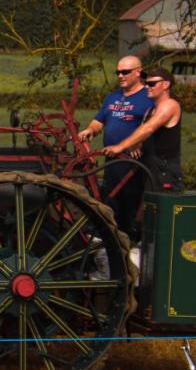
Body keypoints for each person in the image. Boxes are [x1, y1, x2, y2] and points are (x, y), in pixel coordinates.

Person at [77, 55, 153, 240]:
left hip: (133, 163)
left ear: (138, 72)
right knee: (110, 201)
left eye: (125, 72)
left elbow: (151, 127)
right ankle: (109, 245)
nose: (120, 75)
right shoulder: (112, 97)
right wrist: (90, 130)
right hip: (111, 160)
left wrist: (139, 143)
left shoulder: (148, 97)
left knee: (129, 204)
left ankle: (130, 245)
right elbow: (98, 121)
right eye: (118, 72)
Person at [102, 67, 184, 192]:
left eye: (152, 84)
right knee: (145, 207)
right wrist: (135, 144)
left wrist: (119, 147)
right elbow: (142, 132)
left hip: (164, 171)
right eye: (146, 83)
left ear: (166, 84)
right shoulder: (150, 110)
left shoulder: (170, 105)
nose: (147, 87)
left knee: (160, 208)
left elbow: (149, 128)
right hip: (149, 167)